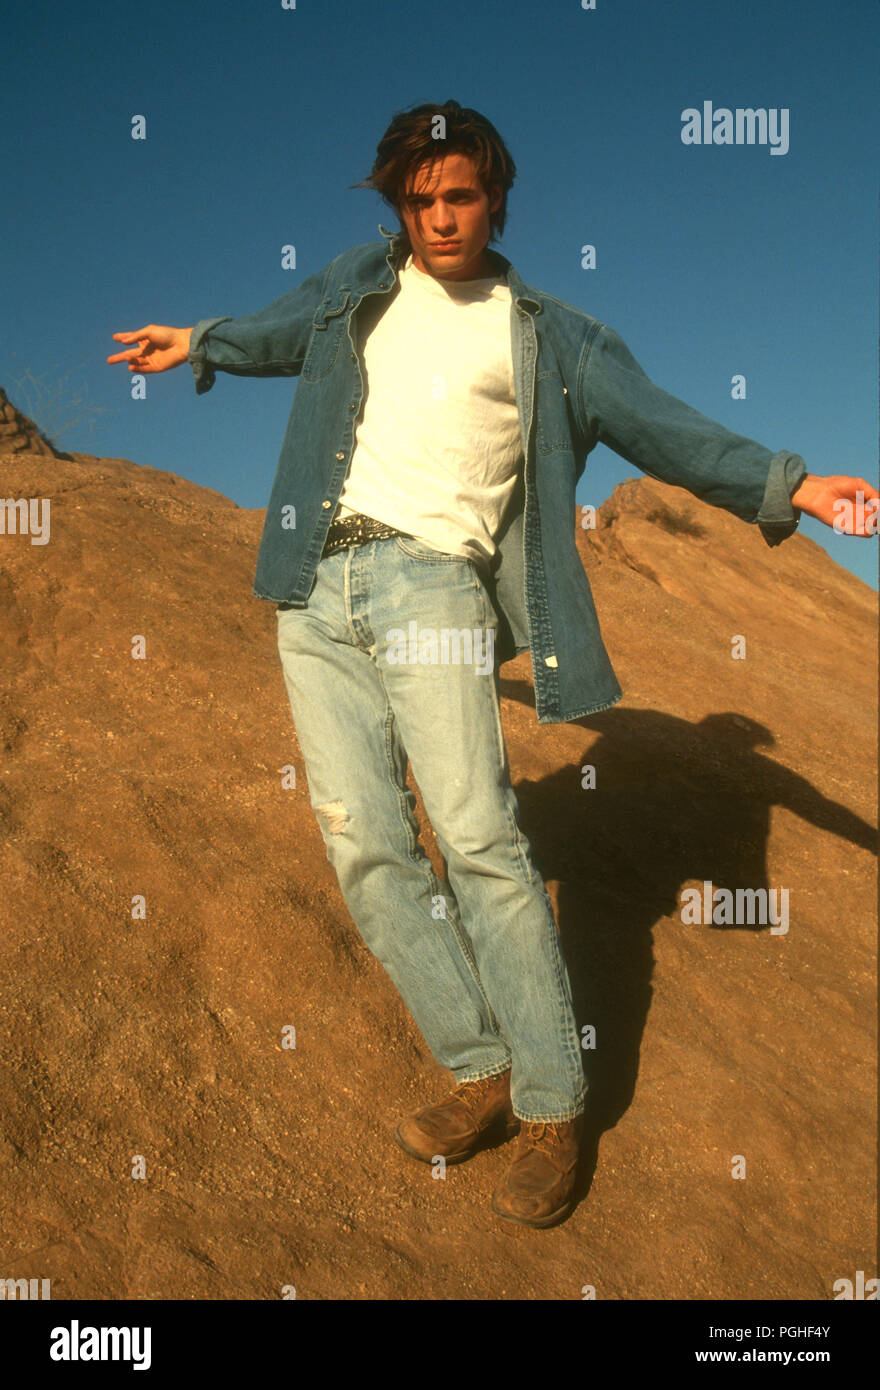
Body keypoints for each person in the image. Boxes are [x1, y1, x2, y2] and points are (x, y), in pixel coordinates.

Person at [107, 100, 878, 1230]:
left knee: (477, 838)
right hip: (312, 582)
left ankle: (555, 1100)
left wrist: (791, 486)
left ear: (495, 198)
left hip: (434, 586)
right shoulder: (354, 287)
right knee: (363, 838)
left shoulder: (550, 333)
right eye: (417, 200)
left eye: (456, 195)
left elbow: (664, 428)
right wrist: (200, 340)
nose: (436, 217)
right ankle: (478, 1065)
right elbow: (277, 332)